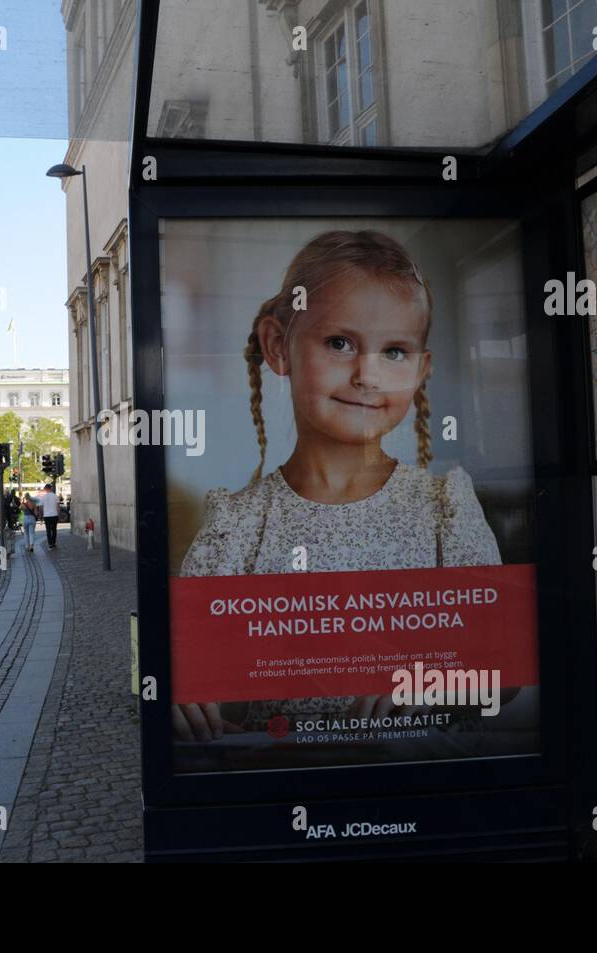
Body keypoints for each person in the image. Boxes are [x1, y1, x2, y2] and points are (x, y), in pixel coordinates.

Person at [175, 230, 502, 742]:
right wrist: (181, 688)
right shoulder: (238, 525)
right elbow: (183, 666)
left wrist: (429, 684)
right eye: (339, 343)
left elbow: (502, 667)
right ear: (278, 346)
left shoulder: (445, 509)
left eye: (394, 351)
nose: (367, 375)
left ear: (421, 370)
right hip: (281, 793)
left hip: (425, 790)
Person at [38, 483, 60, 549]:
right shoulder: (55, 496)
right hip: (54, 515)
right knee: (54, 530)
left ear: (45, 489)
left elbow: (41, 507)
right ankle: (54, 543)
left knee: (48, 530)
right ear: (51, 488)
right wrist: (58, 515)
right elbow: (58, 507)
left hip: (47, 515)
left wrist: (41, 516)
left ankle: (50, 544)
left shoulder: (43, 497)